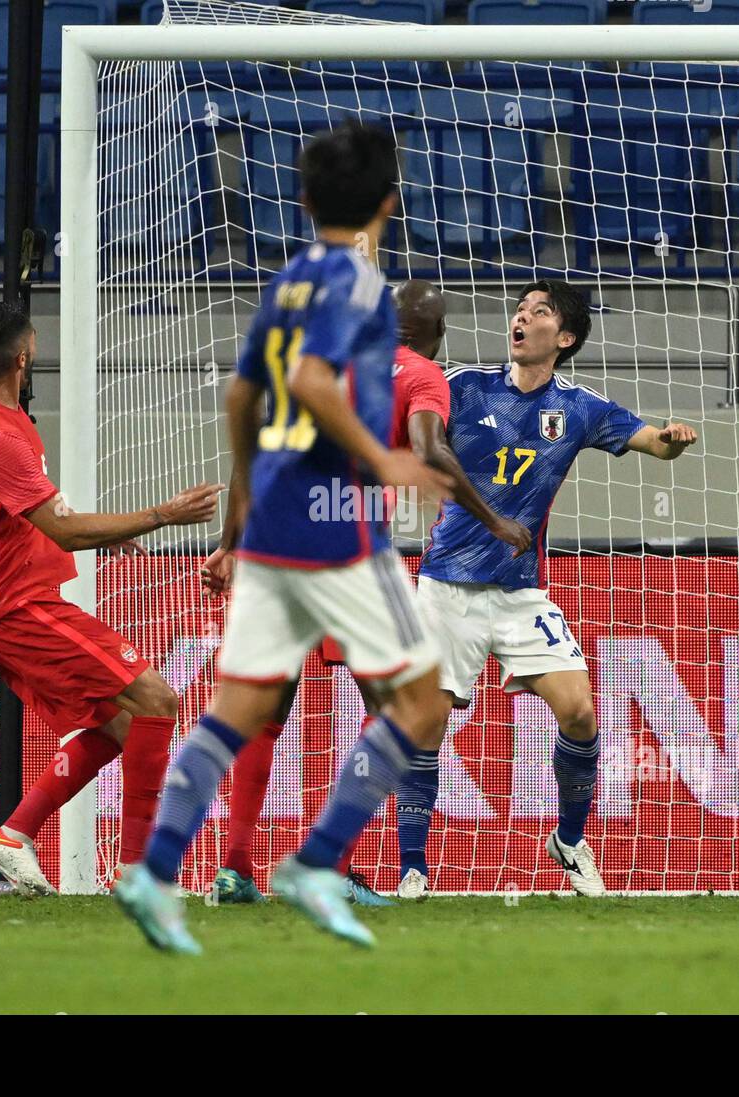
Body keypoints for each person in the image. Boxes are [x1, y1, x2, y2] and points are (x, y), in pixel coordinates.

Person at [115, 120, 453, 954]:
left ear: (301, 202)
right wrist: (384, 458)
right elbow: (308, 380)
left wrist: (239, 513)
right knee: (422, 701)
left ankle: (155, 877)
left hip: (269, 522)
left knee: (235, 708)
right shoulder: (363, 285)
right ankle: (316, 860)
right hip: (337, 525)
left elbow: (241, 398)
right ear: (389, 203)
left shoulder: (287, 281)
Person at [205, 278, 529, 906]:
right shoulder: (422, 375)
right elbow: (433, 448)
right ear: (438, 336)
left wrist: (228, 545)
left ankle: (235, 870)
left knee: (266, 713)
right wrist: (492, 520)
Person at [394, 279, 698, 899]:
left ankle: (569, 838)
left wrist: (670, 440)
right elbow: (408, 428)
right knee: (428, 722)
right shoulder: (461, 387)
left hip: (519, 592)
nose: (522, 317)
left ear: (563, 339)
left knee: (580, 710)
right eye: (520, 308)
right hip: (445, 586)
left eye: (540, 312)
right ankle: (413, 865)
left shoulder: (580, 407)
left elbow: (650, 443)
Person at [0, 301, 222, 895]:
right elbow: (61, 528)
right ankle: (140, 871)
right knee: (157, 699)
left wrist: (112, 531)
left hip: (1, 601)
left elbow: (35, 511)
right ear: (24, 357)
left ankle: (13, 836)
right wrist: (159, 516)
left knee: (121, 726)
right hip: (12, 605)